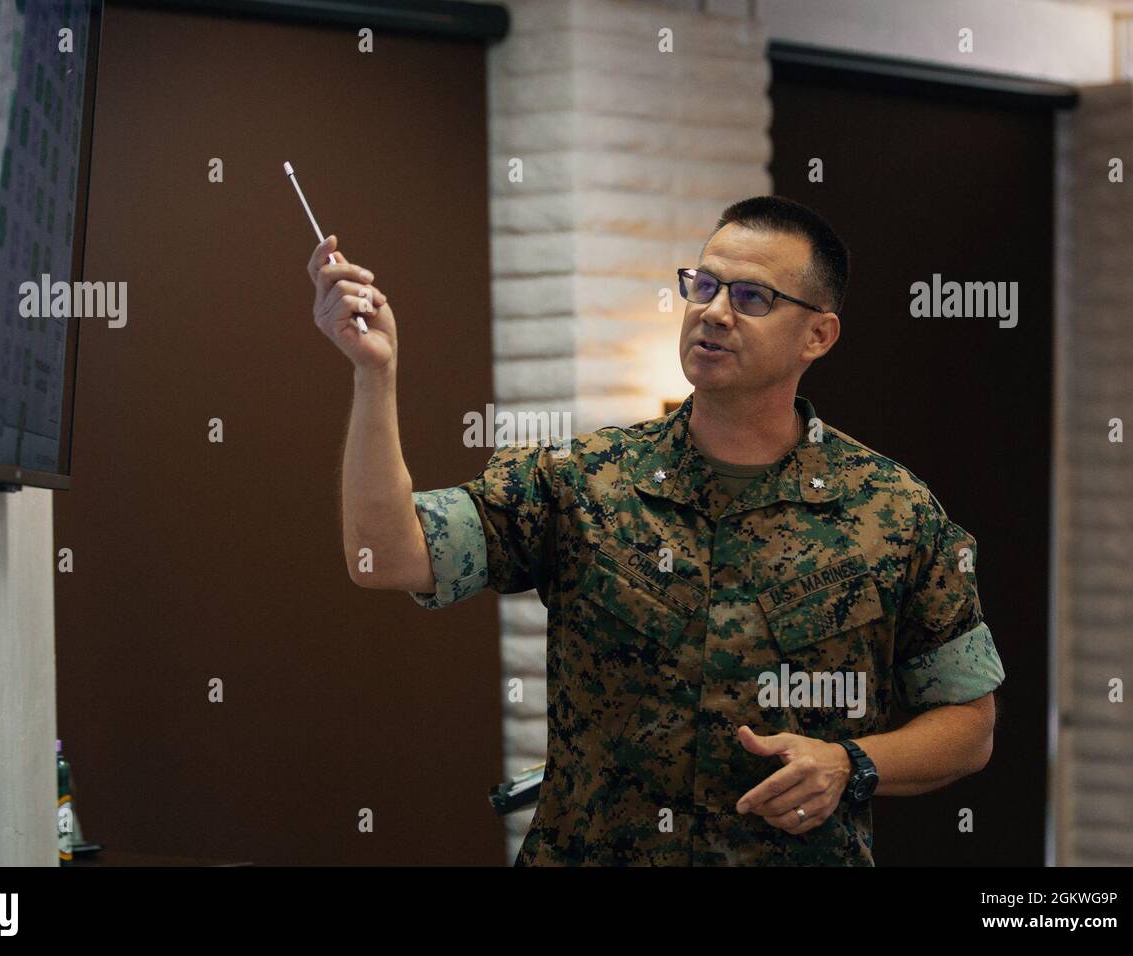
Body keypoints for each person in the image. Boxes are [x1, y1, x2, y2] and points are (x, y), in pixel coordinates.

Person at [308, 195, 1005, 866]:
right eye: (704, 285)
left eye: (752, 297)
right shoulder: (584, 480)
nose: (714, 312)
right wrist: (376, 376)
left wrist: (850, 764)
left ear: (817, 334)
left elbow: (969, 727)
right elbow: (383, 556)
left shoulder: (892, 511)